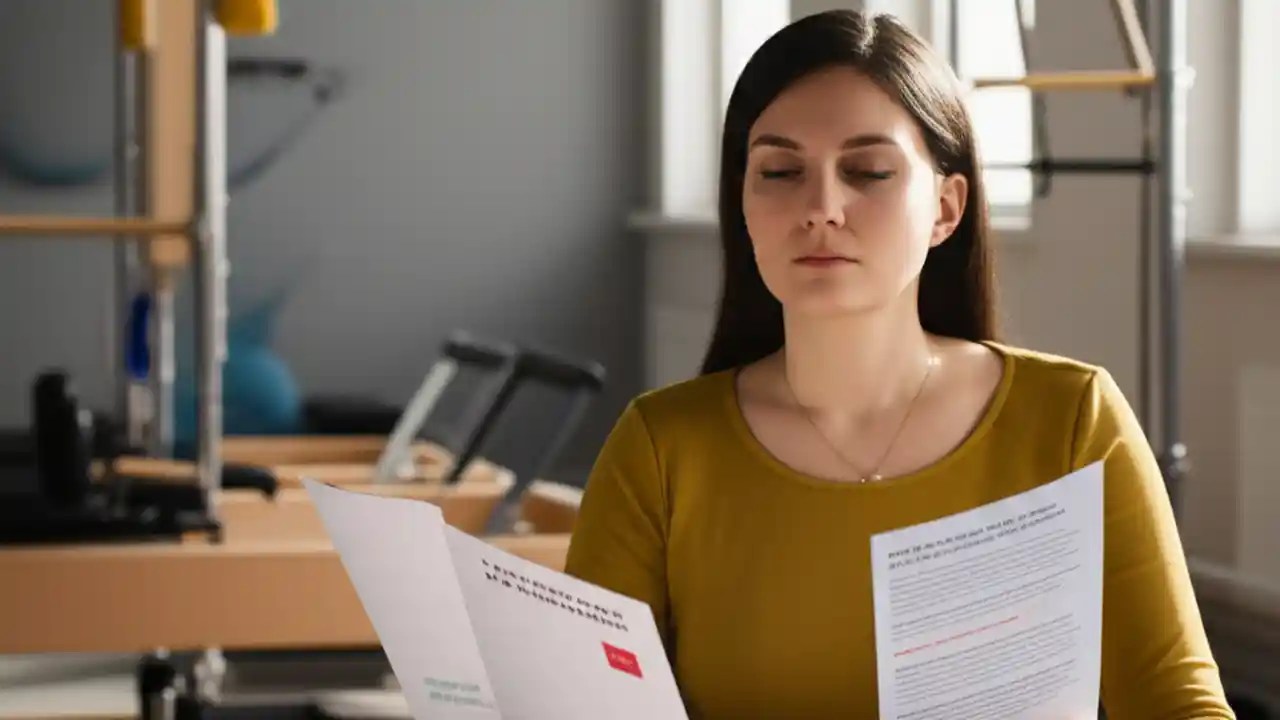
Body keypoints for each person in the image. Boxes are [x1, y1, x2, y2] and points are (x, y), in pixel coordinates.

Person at [563, 8, 1235, 720]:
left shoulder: (1071, 420)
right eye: (781, 171)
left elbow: (1180, 705)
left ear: (946, 208)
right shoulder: (661, 450)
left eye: (869, 171)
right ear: (744, 203)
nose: (821, 207)